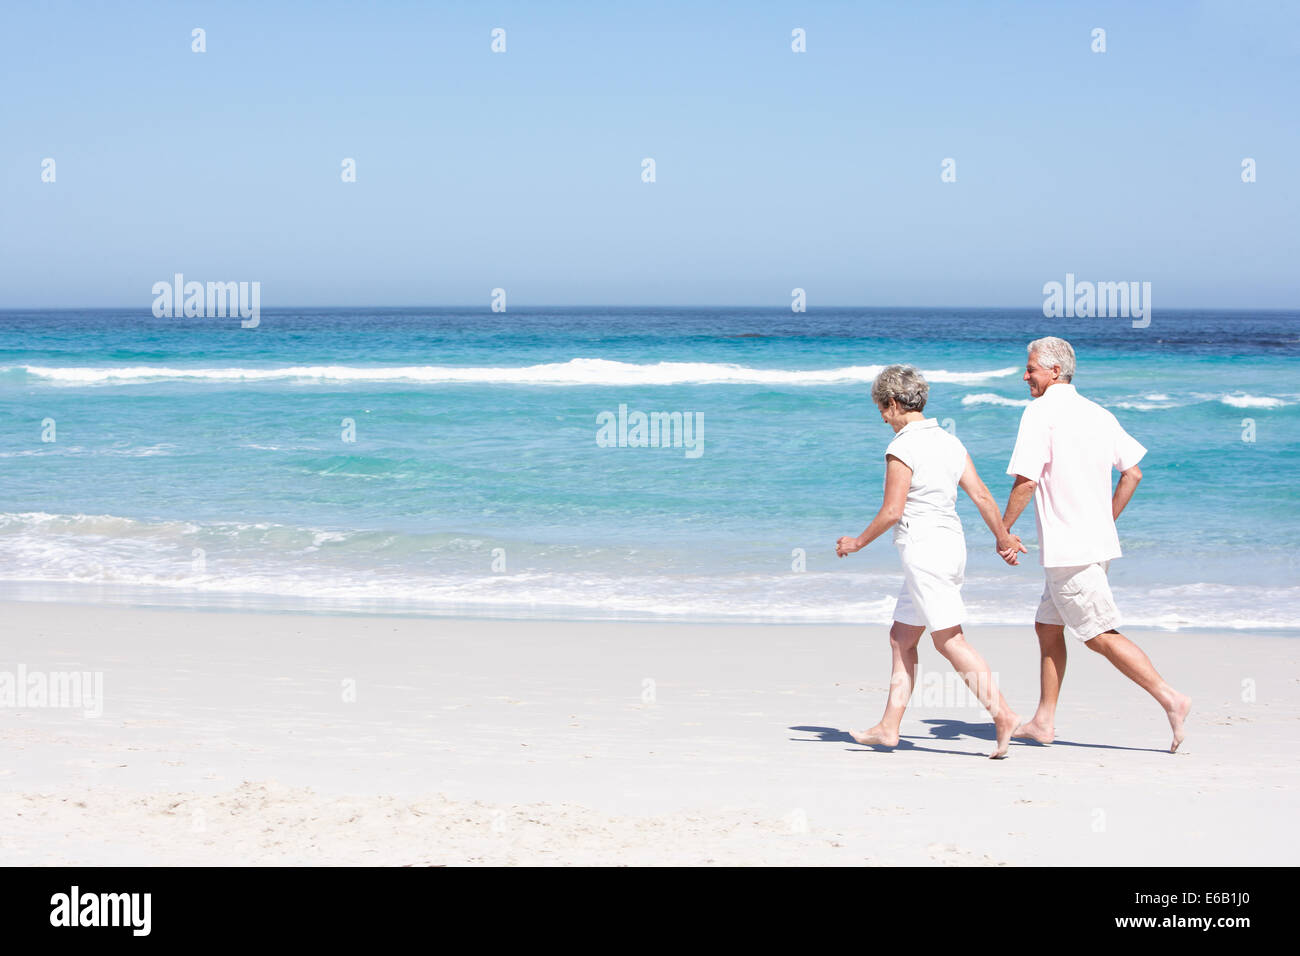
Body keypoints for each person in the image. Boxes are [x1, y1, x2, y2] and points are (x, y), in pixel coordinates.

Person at [998, 336, 1191, 752]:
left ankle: (1171, 698)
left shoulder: (1039, 413)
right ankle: (1043, 722)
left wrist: (1003, 529)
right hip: (1091, 546)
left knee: (1097, 633)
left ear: (1054, 371)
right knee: (1047, 627)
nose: (1025, 375)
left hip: (1071, 552)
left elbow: (1027, 480)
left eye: (1030, 368)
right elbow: (1133, 474)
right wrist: (1105, 520)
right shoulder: (1098, 413)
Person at [837, 365, 1021, 758]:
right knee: (902, 637)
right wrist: (1003, 537)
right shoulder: (950, 443)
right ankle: (888, 727)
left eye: (882, 411)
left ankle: (1002, 713)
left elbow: (891, 511)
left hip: (924, 553)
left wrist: (857, 543)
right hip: (951, 548)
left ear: (892, 403)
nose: (883, 420)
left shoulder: (902, 446)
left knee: (949, 640)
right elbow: (983, 496)